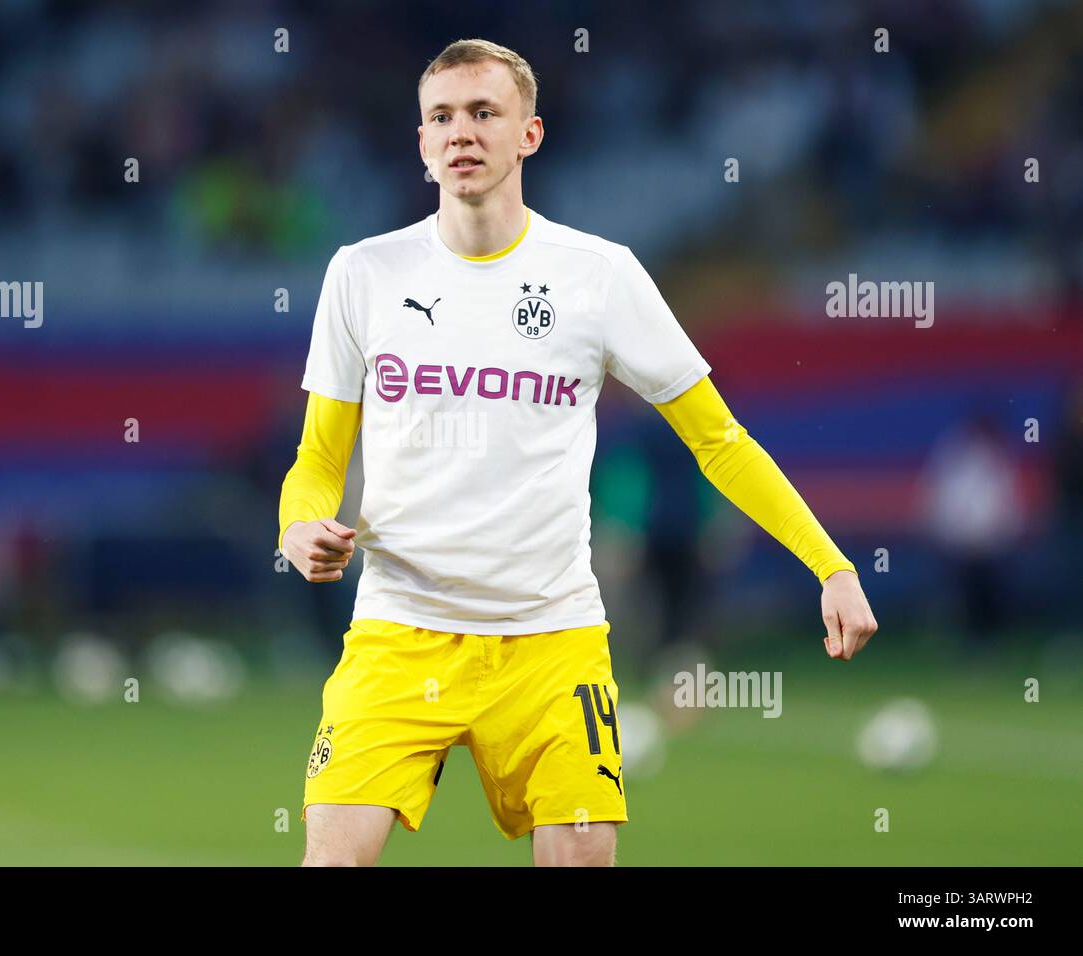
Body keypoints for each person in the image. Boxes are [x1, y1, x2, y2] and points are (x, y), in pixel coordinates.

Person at [278, 39, 877, 867]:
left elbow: (719, 441)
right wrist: (300, 527)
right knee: (331, 859)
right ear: (420, 143)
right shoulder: (363, 274)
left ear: (530, 134)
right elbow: (316, 460)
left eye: (485, 113)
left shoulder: (600, 277)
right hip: (399, 626)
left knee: (583, 859)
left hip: (552, 635)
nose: (462, 133)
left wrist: (831, 565)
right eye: (442, 117)